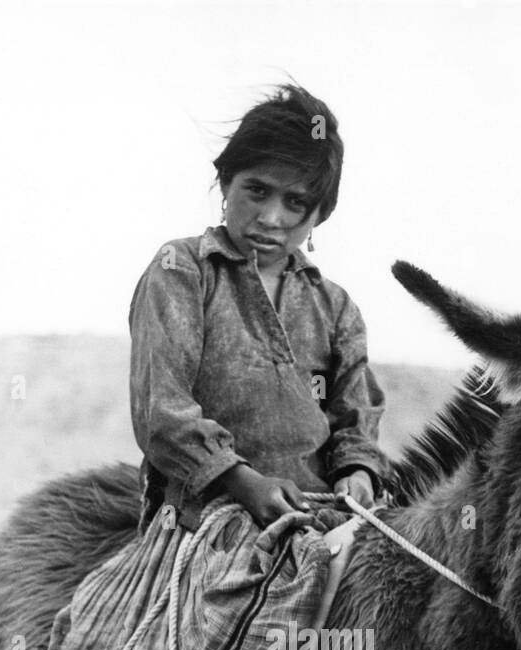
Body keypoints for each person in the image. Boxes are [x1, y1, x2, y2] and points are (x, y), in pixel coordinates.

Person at [129, 84, 389, 539]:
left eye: (296, 203)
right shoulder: (183, 270)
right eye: (257, 190)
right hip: (205, 516)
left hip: (320, 516)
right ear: (226, 182)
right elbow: (162, 413)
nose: (271, 218)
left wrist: (359, 472)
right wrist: (241, 480)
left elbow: (354, 418)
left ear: (320, 214)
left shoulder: (335, 306)